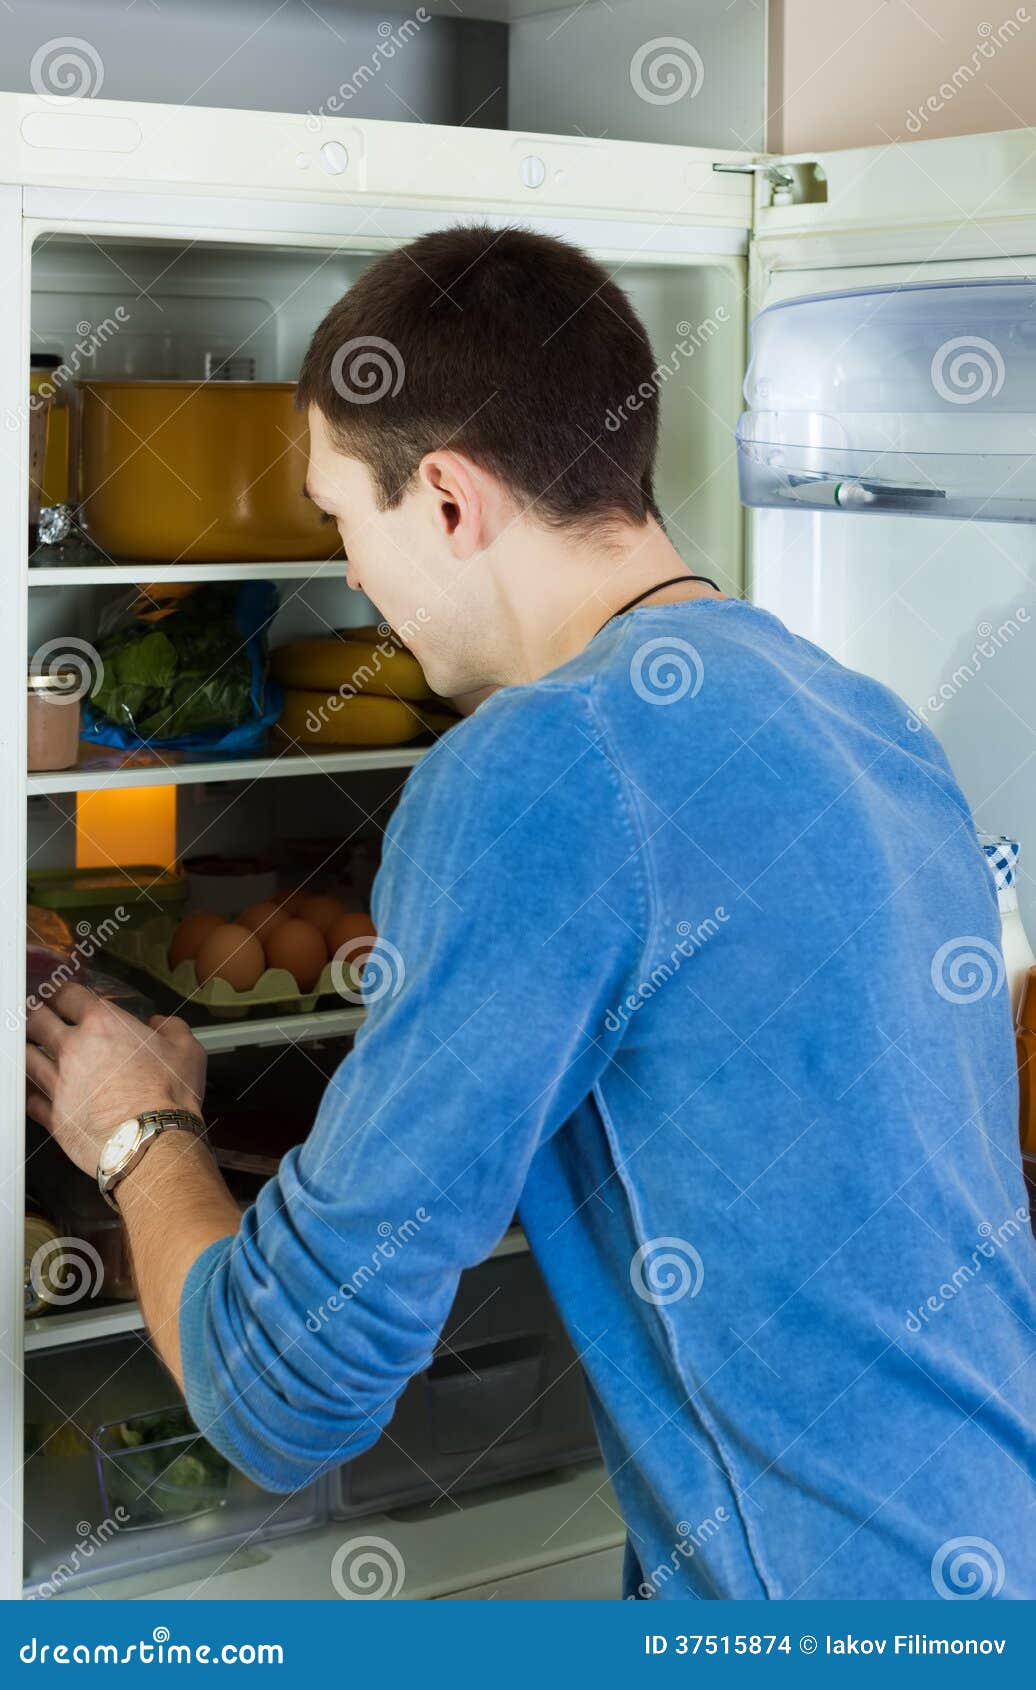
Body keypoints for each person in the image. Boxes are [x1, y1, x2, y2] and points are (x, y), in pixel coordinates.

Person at [26, 226, 1035, 1601]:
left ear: (445, 498)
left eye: (341, 521)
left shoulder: (542, 761)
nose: (353, 578)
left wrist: (139, 1132)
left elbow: (281, 1393)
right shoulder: (860, 718)